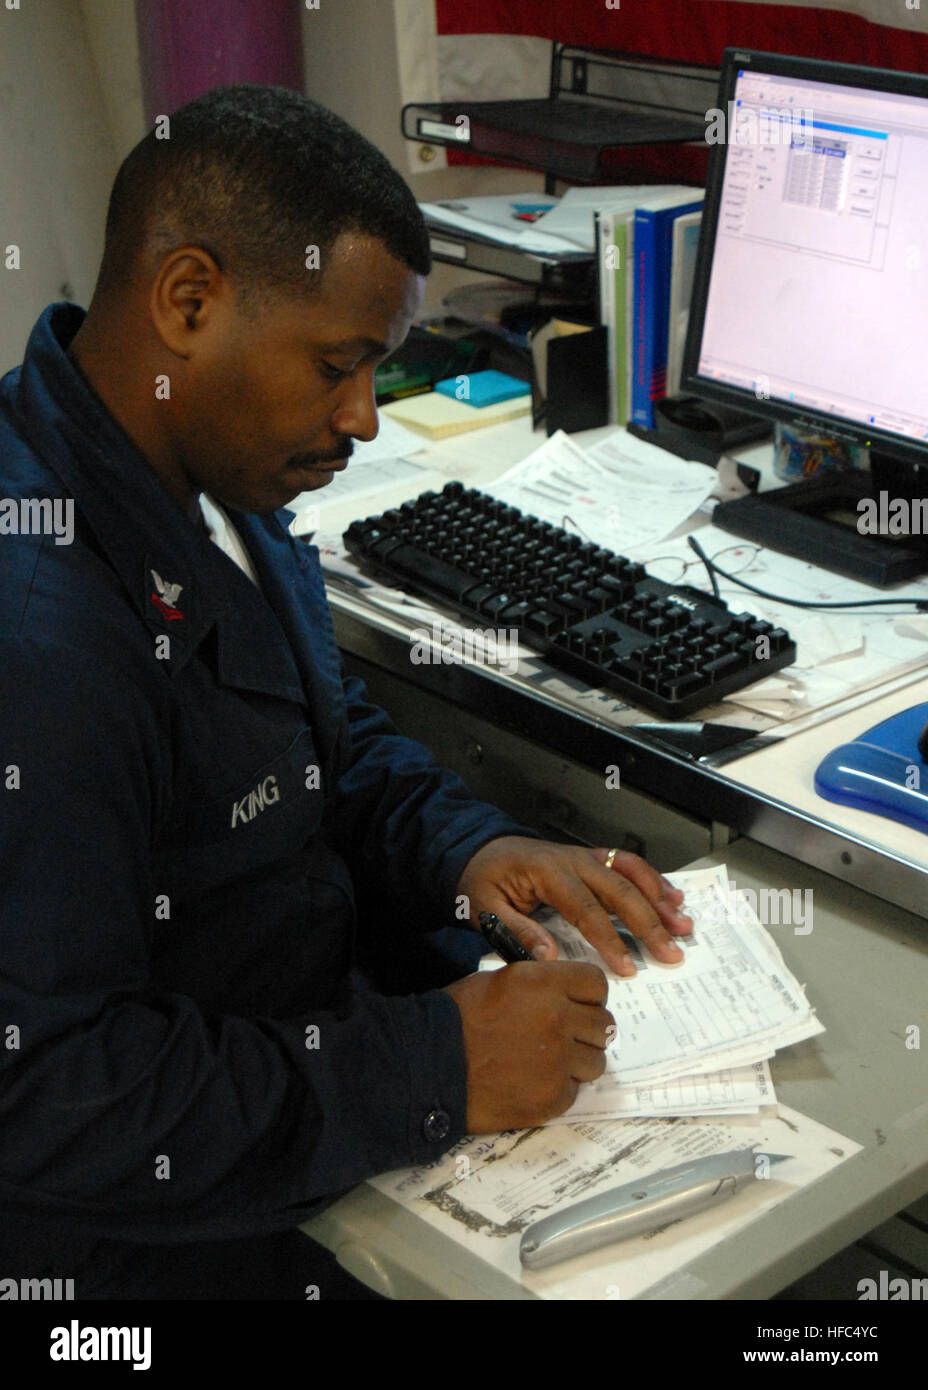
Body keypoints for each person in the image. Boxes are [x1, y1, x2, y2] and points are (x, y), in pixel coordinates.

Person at [0, 84, 692, 1300]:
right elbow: (50, 1091)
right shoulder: (41, 641)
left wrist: (466, 845)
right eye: (337, 365)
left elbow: (309, 732)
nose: (363, 417)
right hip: (135, 1246)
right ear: (189, 300)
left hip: (294, 1056)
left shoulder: (207, 463)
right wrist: (431, 1067)